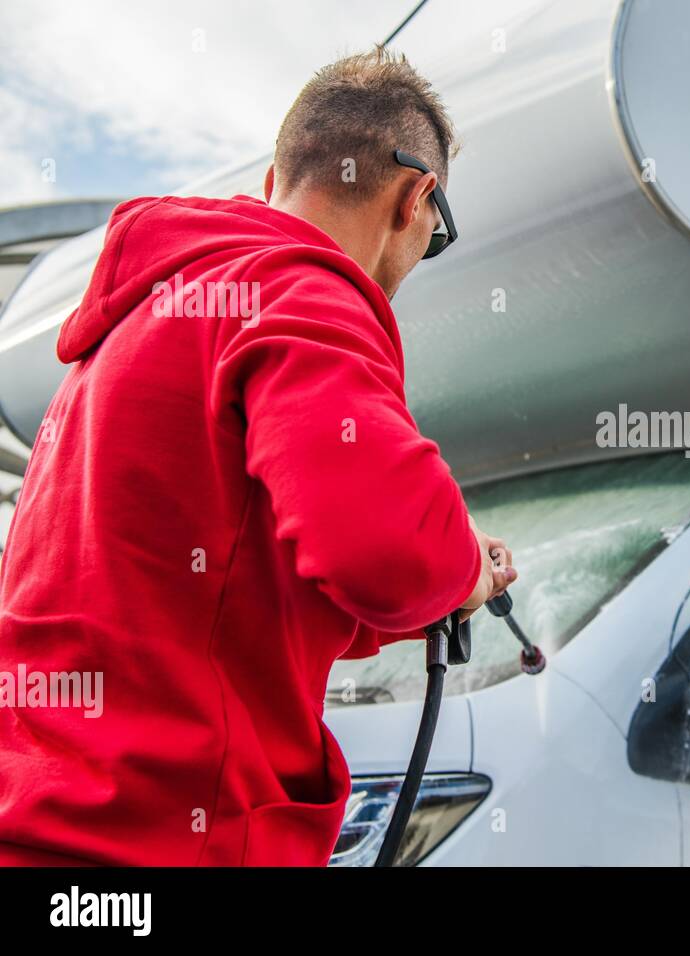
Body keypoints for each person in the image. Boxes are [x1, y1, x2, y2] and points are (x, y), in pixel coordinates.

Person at [0, 47, 513, 865]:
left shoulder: (140, 322)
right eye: (435, 235)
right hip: (158, 841)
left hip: (47, 828)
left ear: (274, 182)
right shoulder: (304, 292)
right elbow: (384, 550)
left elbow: (198, 579)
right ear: (416, 200)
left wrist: (426, 591)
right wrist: (463, 571)